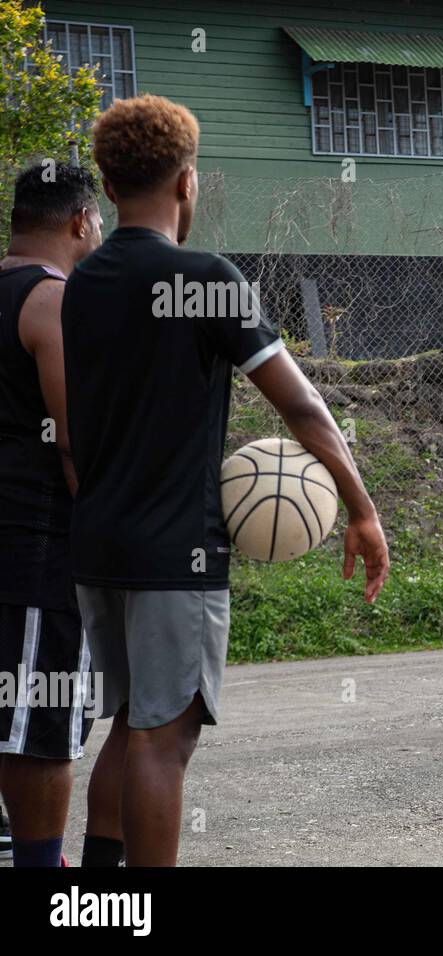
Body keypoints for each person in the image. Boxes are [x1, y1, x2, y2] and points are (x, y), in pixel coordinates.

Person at [64, 94, 390, 866]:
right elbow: (304, 407)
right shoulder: (207, 278)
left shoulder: (81, 285)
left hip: (99, 544)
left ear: (108, 188)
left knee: (130, 722)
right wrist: (363, 510)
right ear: (188, 183)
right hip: (175, 552)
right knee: (165, 739)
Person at [0, 162, 101, 867]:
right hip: (36, 549)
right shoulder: (53, 300)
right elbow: (75, 440)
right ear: (78, 223)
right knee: (41, 727)